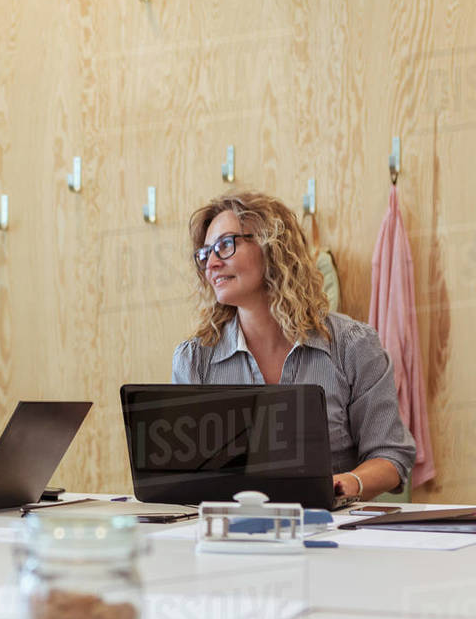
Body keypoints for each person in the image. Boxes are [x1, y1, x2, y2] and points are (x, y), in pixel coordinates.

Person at [172, 191, 415, 500]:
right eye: (206, 253)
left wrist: (350, 482)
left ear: (273, 248)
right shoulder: (194, 359)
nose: (212, 264)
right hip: (233, 535)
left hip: (331, 534)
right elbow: (187, 474)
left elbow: (391, 455)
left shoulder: (353, 345)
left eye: (224, 245)